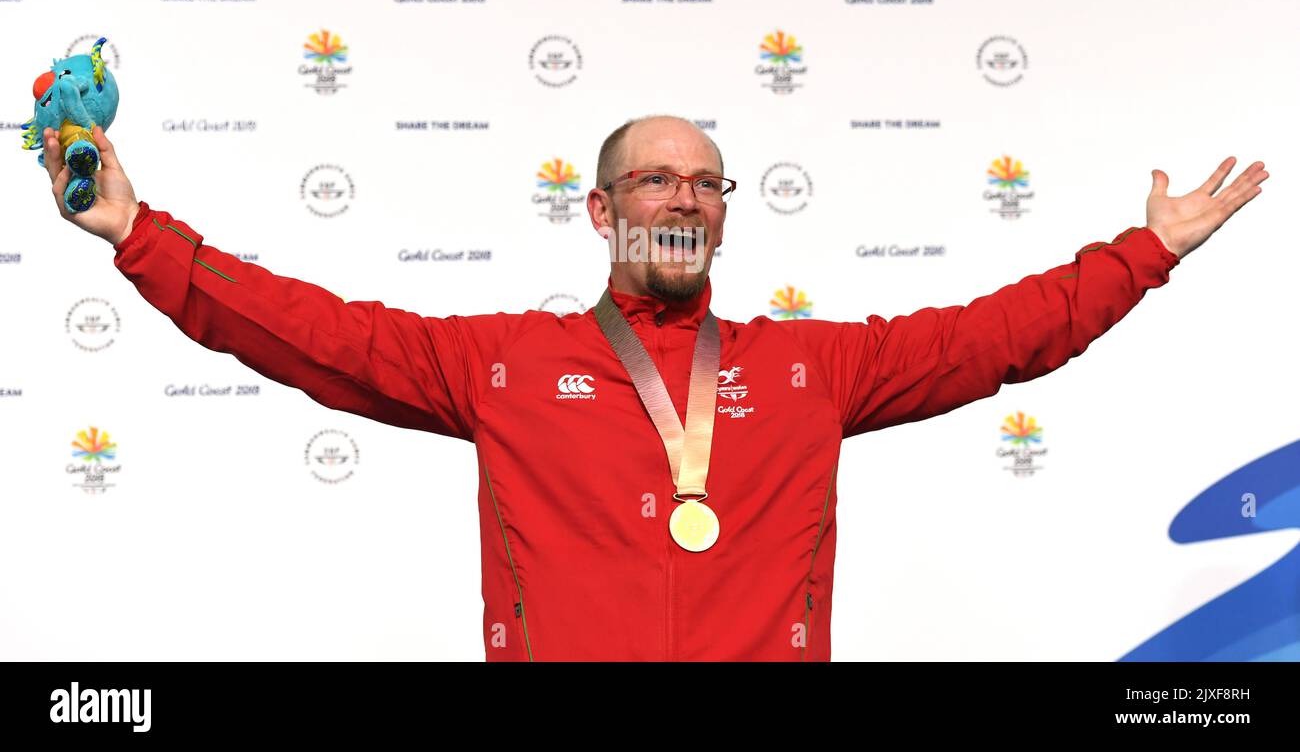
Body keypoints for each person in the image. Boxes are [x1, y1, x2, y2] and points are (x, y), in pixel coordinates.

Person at [41, 115, 1268, 661]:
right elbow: (313, 335)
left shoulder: (810, 369)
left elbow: (1002, 335)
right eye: (654, 180)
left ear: (725, 216)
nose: (681, 198)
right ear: (600, 208)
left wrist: (1143, 252)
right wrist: (141, 233)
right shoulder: (503, 365)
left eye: (705, 184)